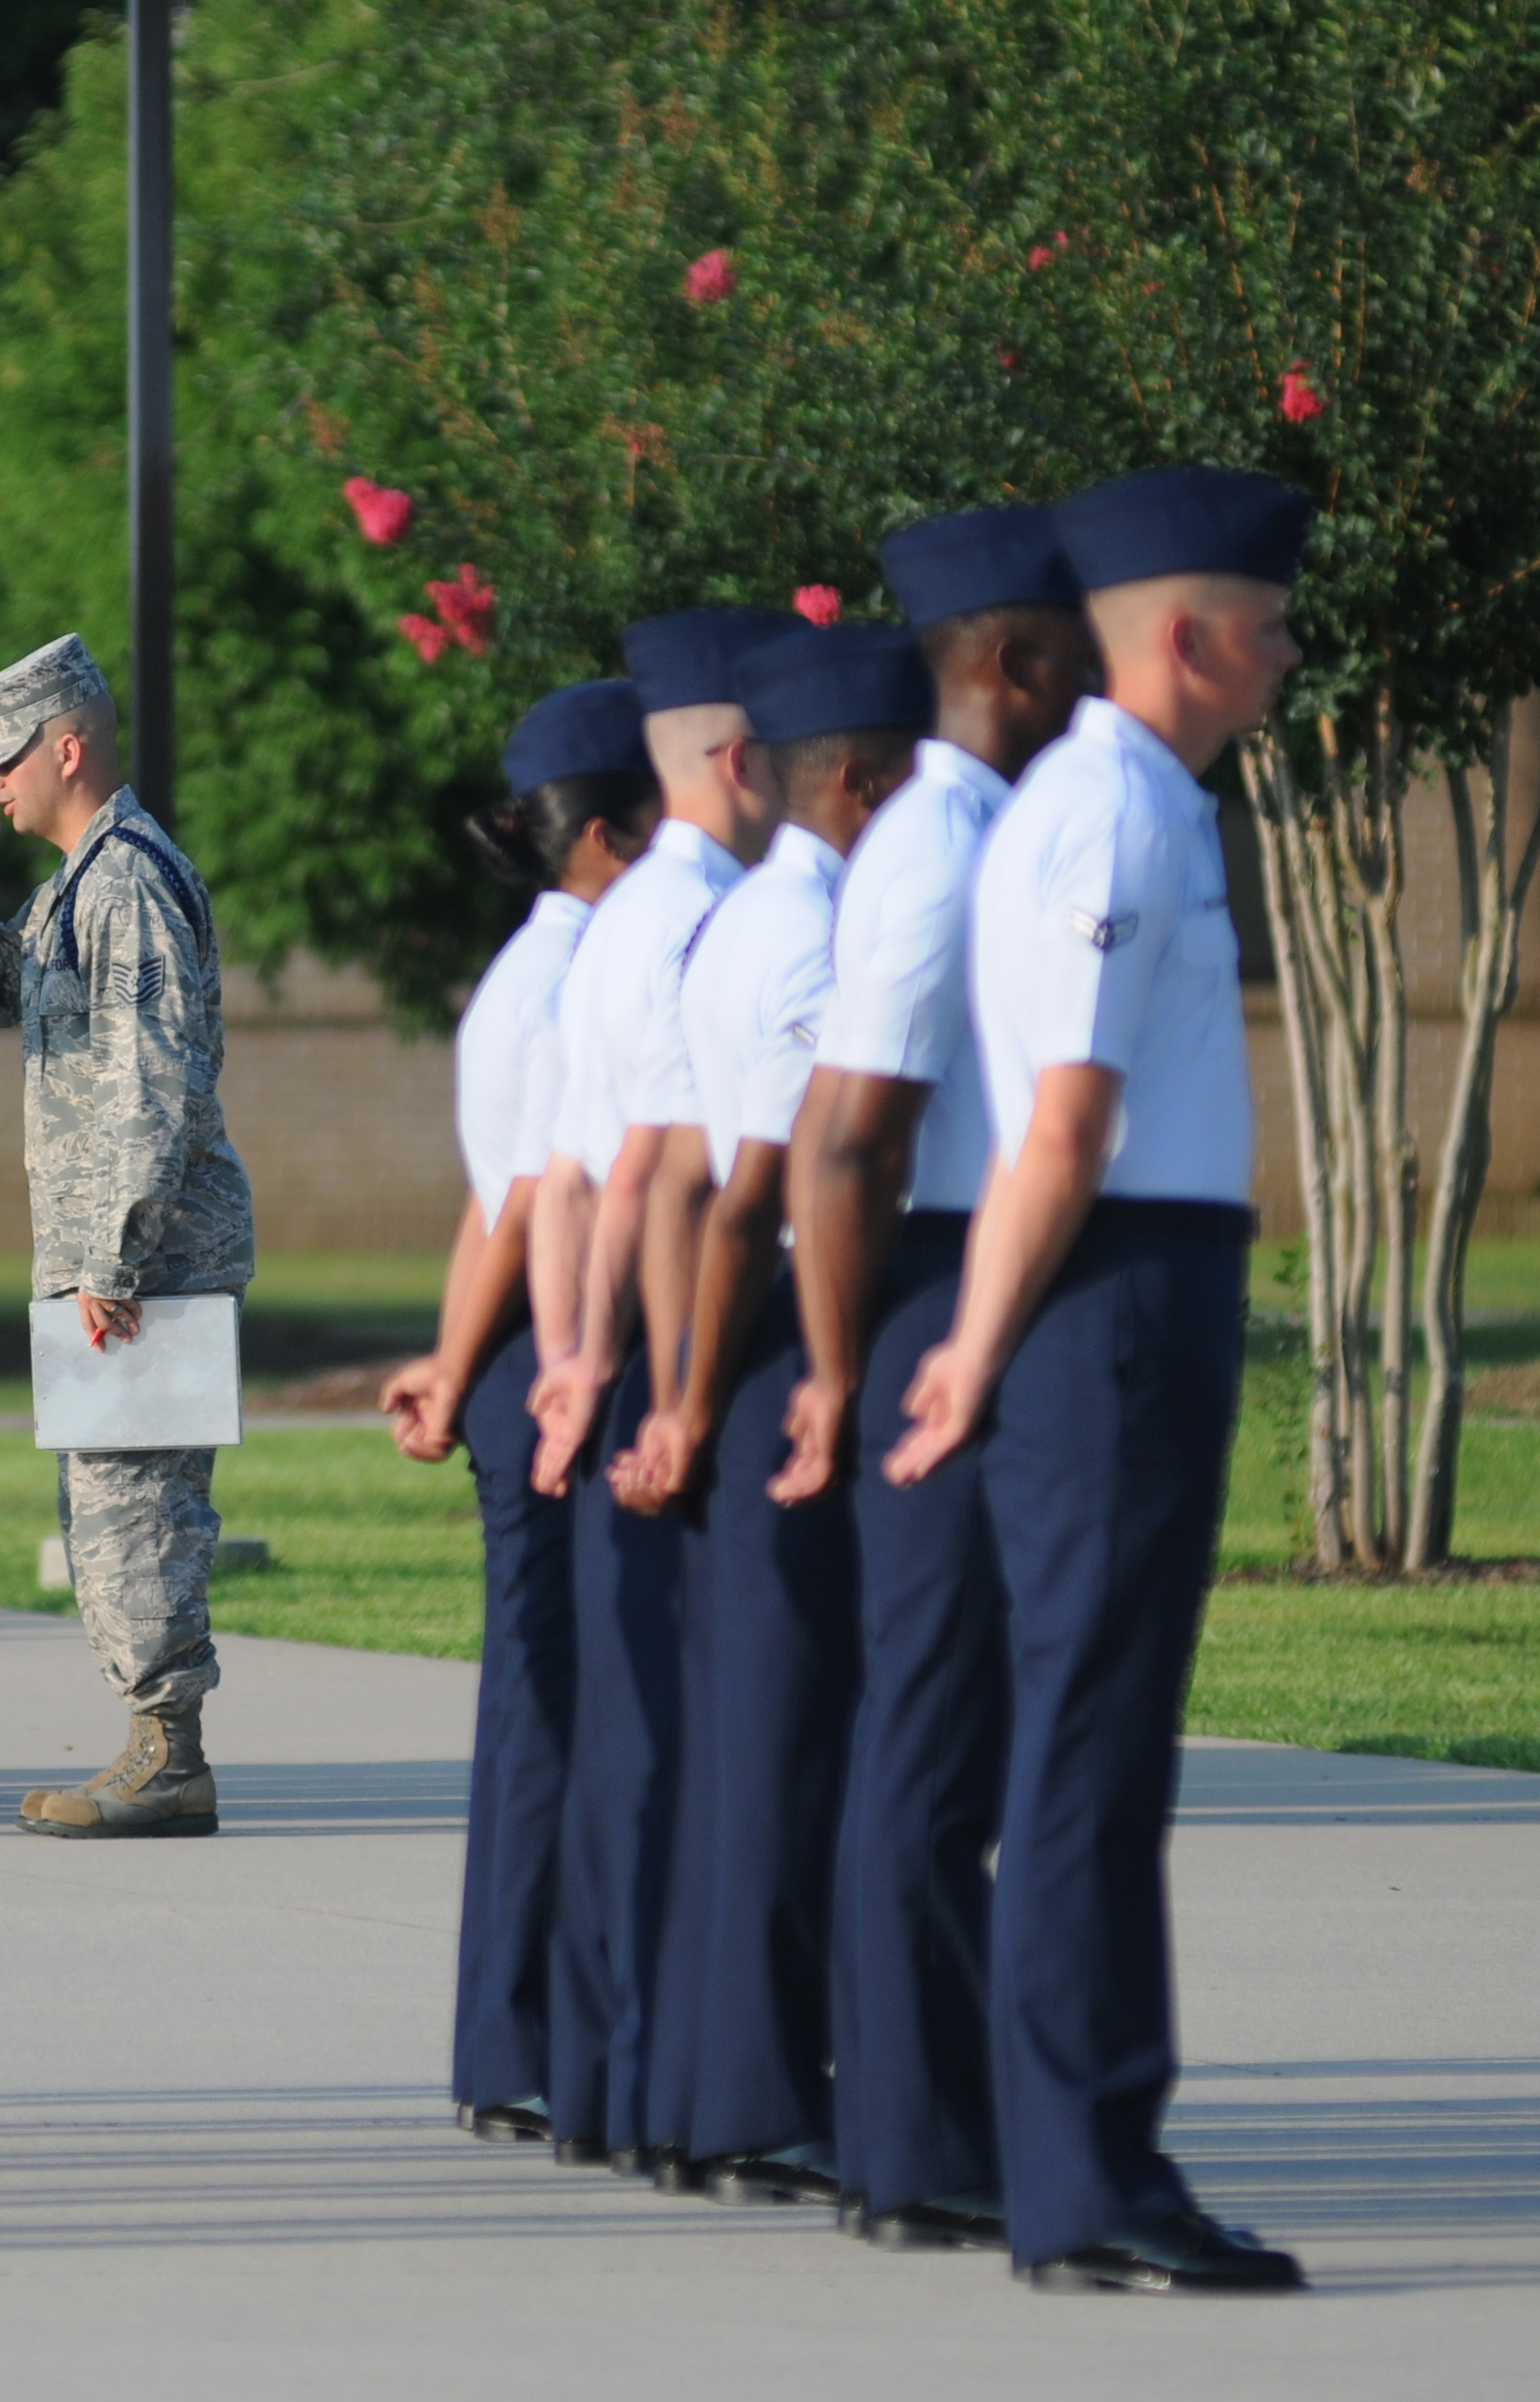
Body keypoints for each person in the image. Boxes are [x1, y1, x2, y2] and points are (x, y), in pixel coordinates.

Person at [886, 464, 1311, 2295]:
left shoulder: (1108, 798)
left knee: (1090, 1744)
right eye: (1274, 626)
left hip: (1117, 1287)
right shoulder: (1113, 810)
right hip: (1109, 1303)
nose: (1289, 655)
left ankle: (1082, 2159)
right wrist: (976, 1352)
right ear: (1197, 641)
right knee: (1088, 1749)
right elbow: (1057, 1123)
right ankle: (1087, 2176)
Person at [773, 504, 1098, 2253]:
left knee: (939, 1732)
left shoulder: (977, 826)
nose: (1089, 690)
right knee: (931, 1733)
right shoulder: (937, 840)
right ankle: (907, 2140)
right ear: (1000, 661)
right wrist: (837, 1369)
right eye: (1067, 656)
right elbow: (839, 1141)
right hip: (910, 1292)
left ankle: (920, 2125)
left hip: (924, 1288)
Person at [621, 623, 934, 2204]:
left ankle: (710, 2089)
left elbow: (681, 1180)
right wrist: (715, 1395)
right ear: (861, 781)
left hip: (736, 1360)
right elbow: (756, 1197)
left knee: (757, 1736)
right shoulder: (809, 939)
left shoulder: (747, 919)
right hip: (785, 1351)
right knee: (781, 1743)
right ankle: (752, 2095)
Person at [0, 632, 255, 1838]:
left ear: (69, 744)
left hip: (146, 1262)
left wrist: (114, 1254)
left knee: (136, 1517)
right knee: (109, 1512)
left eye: (5, 759)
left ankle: (169, 1757)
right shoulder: (73, 885)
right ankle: (158, 1747)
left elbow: (155, 1084)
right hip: (111, 1256)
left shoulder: (129, 881)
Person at [519, 604, 784, 2169]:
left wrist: (578, 1361)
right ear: (740, 755)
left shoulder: (619, 919)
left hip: (625, 1356)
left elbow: (581, 1186)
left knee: (637, 1742)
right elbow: (666, 1181)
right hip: (691, 1357)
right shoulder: (695, 919)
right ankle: (696, 2093)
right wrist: (663, 1385)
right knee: (704, 1737)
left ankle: (619, 2086)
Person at [380, 680, 656, 2147]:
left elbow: (494, 1197)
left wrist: (440, 1356)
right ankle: (526, 2035)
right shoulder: (569, 980)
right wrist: (475, 1358)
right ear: (605, 835)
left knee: (541, 1698)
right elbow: (537, 1195)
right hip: (558, 1362)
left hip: (517, 1356)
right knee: (556, 1703)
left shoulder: (534, 967)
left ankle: (515, 2036)